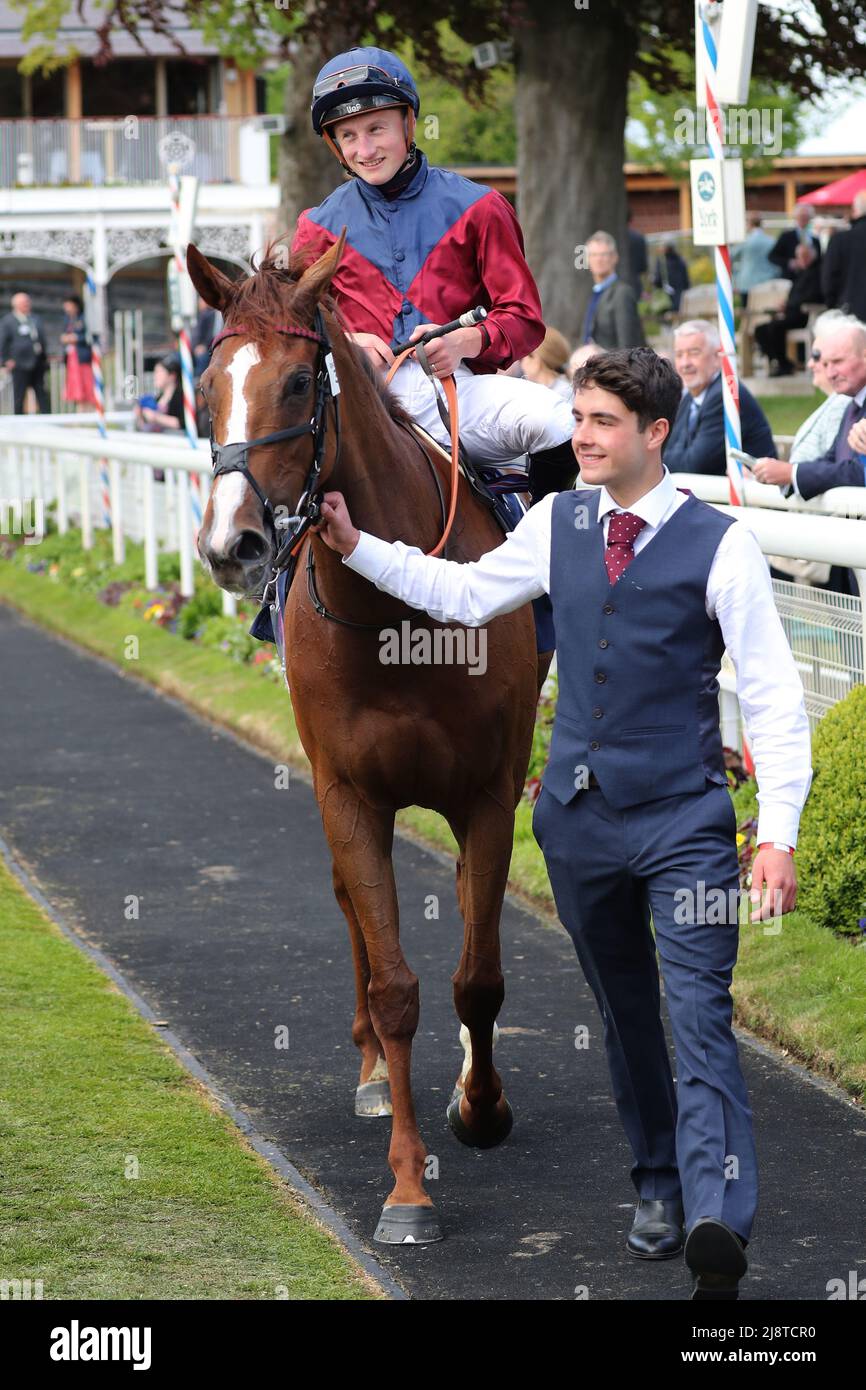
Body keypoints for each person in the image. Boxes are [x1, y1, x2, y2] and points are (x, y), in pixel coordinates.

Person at [312, 346, 811, 1301]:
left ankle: (715, 1215)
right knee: (626, 1020)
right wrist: (356, 547)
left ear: (655, 434)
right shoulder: (554, 521)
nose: (578, 437)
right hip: (581, 827)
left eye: (601, 424)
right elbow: (462, 596)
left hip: (688, 827)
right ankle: (658, 1185)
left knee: (701, 1014)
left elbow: (777, 701)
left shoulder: (723, 544)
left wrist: (777, 833)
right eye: (576, 419)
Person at [292, 46, 576, 504]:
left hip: (458, 396)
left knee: (560, 423)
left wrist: (465, 342)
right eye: (348, 136)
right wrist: (349, 342)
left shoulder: (480, 208)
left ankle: (543, 542)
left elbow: (524, 319)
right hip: (361, 406)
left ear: (408, 123)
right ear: (335, 146)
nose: (364, 150)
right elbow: (297, 328)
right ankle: (270, 576)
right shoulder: (316, 227)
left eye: (376, 128)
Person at [663, 320, 774, 475]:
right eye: (679, 355)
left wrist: (655, 458)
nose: (685, 363)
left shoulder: (725, 396)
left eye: (694, 353)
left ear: (717, 356)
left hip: (749, 494)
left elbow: (694, 465)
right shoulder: (690, 398)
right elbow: (669, 445)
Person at [754, 242, 823, 377]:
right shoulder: (799, 274)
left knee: (775, 328)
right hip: (789, 314)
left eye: (804, 256)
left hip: (803, 315)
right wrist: (784, 305)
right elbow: (793, 297)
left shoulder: (817, 273)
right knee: (760, 330)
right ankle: (782, 362)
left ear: (811, 256)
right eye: (799, 257)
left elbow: (813, 296)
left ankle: (784, 365)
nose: (801, 260)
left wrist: (790, 304)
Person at [581, 231, 645, 350]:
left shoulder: (622, 293)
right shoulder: (595, 293)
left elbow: (627, 345)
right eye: (593, 255)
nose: (598, 259)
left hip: (614, 366)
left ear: (614, 257)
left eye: (604, 254)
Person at [0, 291, 49, 414]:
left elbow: (41, 338)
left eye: (27, 301)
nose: (26, 304)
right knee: (19, 395)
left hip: (37, 362)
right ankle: (19, 422)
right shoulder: (8, 321)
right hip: (19, 363)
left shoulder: (35, 318)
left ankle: (48, 419)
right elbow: (3, 342)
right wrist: (6, 360)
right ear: (16, 305)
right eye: (23, 302)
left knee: (41, 393)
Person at [821, 191, 866, 320]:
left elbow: (828, 279)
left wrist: (833, 305)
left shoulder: (840, 240)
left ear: (855, 210)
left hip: (850, 313)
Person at [731, 215, 779, 307]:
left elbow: (730, 256)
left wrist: (734, 277)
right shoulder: (771, 240)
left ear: (749, 224)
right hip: (767, 282)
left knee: (747, 313)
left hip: (746, 283)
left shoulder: (745, 241)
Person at [59, 294, 97, 410]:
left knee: (86, 384)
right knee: (75, 385)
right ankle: (80, 409)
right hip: (72, 358)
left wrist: (77, 338)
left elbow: (92, 337)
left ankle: (89, 409)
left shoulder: (85, 318)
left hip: (83, 357)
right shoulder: (68, 320)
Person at [134, 353, 184, 433]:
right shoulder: (158, 398)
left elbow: (183, 423)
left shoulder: (181, 398)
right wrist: (141, 416)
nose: (155, 376)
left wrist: (156, 417)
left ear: (172, 375)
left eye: (159, 372)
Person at [769, 203, 820, 281]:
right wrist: (789, 263)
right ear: (796, 217)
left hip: (810, 280)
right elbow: (772, 256)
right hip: (790, 279)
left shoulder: (815, 239)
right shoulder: (786, 236)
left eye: (806, 217)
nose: (803, 219)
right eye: (801, 216)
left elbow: (819, 260)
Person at [521, 327, 573, 402]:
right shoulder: (534, 391)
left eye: (522, 358)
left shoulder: (563, 394)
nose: (522, 364)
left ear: (536, 358)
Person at [191, 294, 223, 381]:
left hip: (219, 347)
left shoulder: (224, 315)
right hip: (206, 348)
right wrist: (197, 346)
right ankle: (198, 380)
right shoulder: (205, 315)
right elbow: (197, 334)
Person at [652, 242, 690, 313]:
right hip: (679, 295)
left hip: (666, 298)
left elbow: (657, 280)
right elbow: (686, 280)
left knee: (666, 318)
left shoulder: (661, 261)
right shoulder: (680, 260)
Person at [625, 209, 648, 301]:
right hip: (634, 282)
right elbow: (643, 266)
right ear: (631, 219)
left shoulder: (611, 237)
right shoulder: (638, 238)